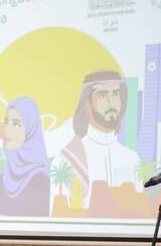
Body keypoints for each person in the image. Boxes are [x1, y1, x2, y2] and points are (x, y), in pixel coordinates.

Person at [55, 69, 140, 208]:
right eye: (102, 95)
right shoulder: (66, 160)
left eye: (116, 94)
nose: (111, 102)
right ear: (87, 105)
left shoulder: (132, 159)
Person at [0, 96, 50, 216]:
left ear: (30, 129)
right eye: (6, 122)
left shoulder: (40, 179)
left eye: (16, 124)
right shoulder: (3, 179)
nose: (6, 130)